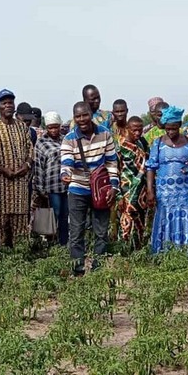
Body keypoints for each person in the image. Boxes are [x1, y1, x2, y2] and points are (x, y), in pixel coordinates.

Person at [61, 101, 120, 274]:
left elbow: (111, 161)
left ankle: (97, 270)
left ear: (91, 115)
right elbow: (66, 162)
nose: (82, 119)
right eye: (78, 116)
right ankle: (78, 270)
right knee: (77, 232)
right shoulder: (69, 139)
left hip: (101, 191)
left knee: (101, 232)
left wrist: (114, 186)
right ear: (74, 118)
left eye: (85, 115)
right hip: (78, 188)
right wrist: (65, 174)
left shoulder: (105, 134)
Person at [0, 89, 35, 251]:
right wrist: (4, 170)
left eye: (10, 102)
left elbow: (30, 151)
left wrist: (25, 166)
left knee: (20, 229)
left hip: (20, 188)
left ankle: (19, 263)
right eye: (4, 103)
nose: (8, 106)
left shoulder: (22, 127)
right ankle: (0, 263)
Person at [146, 105, 188, 255]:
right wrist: (150, 190)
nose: (170, 132)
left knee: (184, 218)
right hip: (165, 193)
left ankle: (186, 254)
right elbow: (151, 167)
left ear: (180, 126)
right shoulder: (158, 142)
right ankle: (164, 253)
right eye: (168, 129)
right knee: (165, 218)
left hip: (185, 192)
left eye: (174, 128)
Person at [34, 111, 70, 245]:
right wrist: (40, 188)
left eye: (56, 126)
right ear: (46, 127)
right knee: (54, 215)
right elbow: (38, 166)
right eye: (50, 127)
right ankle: (51, 244)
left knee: (64, 216)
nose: (54, 130)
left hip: (66, 185)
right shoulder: (41, 142)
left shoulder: (65, 139)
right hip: (52, 185)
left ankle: (64, 244)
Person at [116, 116, 150, 250]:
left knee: (140, 220)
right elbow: (115, 170)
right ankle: (124, 252)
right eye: (134, 130)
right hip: (127, 190)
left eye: (140, 130)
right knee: (126, 221)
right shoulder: (120, 146)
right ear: (127, 129)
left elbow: (148, 163)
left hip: (142, 190)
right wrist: (118, 196)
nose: (137, 133)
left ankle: (139, 250)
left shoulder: (142, 142)